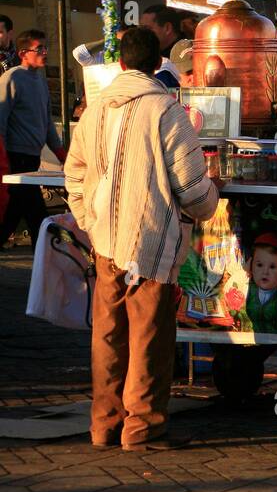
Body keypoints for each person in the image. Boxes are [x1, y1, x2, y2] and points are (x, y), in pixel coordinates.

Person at [64, 26, 219, 452]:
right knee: (149, 335)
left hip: (105, 241)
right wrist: (212, 198)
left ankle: (103, 427)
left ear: (121, 63)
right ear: (157, 65)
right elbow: (191, 190)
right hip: (151, 237)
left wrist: (89, 218)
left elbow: (73, 172)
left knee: (109, 334)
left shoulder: (94, 110)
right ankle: (141, 429)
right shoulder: (167, 111)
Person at [0, 30, 66, 250]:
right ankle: (47, 265)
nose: (45, 53)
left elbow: (47, 123)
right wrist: (3, 158)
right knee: (36, 215)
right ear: (23, 53)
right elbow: (0, 120)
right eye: (39, 49)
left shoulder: (40, 81)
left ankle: (45, 264)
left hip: (32, 157)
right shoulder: (11, 78)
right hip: (14, 157)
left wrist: (61, 154)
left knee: (15, 213)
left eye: (46, 48)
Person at [244, 232, 277, 333]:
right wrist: (244, 274)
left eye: (272, 267)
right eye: (259, 265)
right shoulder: (247, 288)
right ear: (251, 265)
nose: (265, 272)